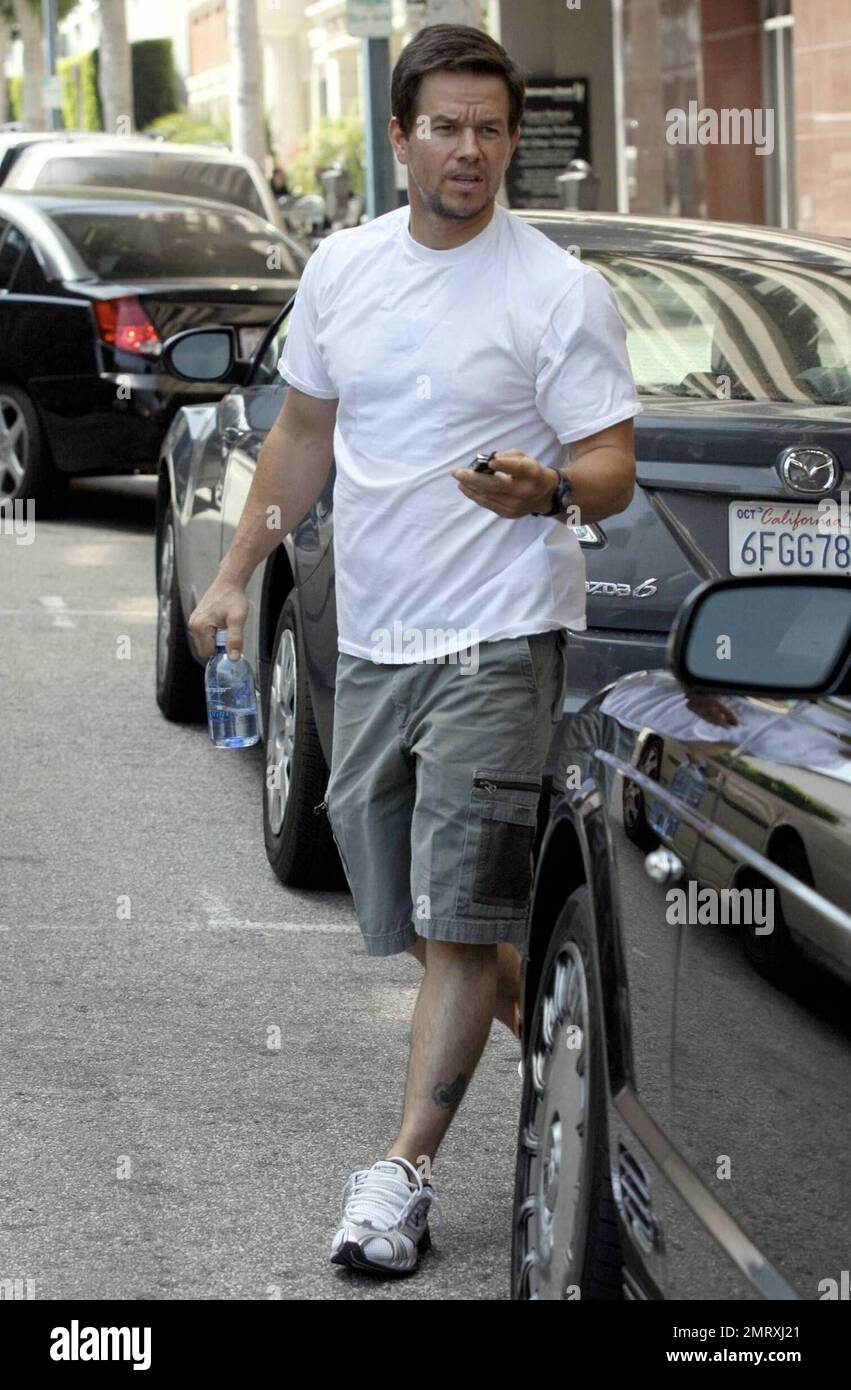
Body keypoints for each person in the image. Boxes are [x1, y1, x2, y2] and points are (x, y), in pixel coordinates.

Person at [188, 22, 641, 1278]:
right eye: (443, 126)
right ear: (399, 138)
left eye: (489, 129)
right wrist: (233, 574)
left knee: (452, 921)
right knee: (420, 906)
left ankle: (401, 1178)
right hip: (376, 641)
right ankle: (584, 1055)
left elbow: (610, 463)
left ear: (509, 142)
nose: (469, 150)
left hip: (500, 631)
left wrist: (551, 490)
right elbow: (300, 440)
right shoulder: (342, 271)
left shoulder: (554, 288)